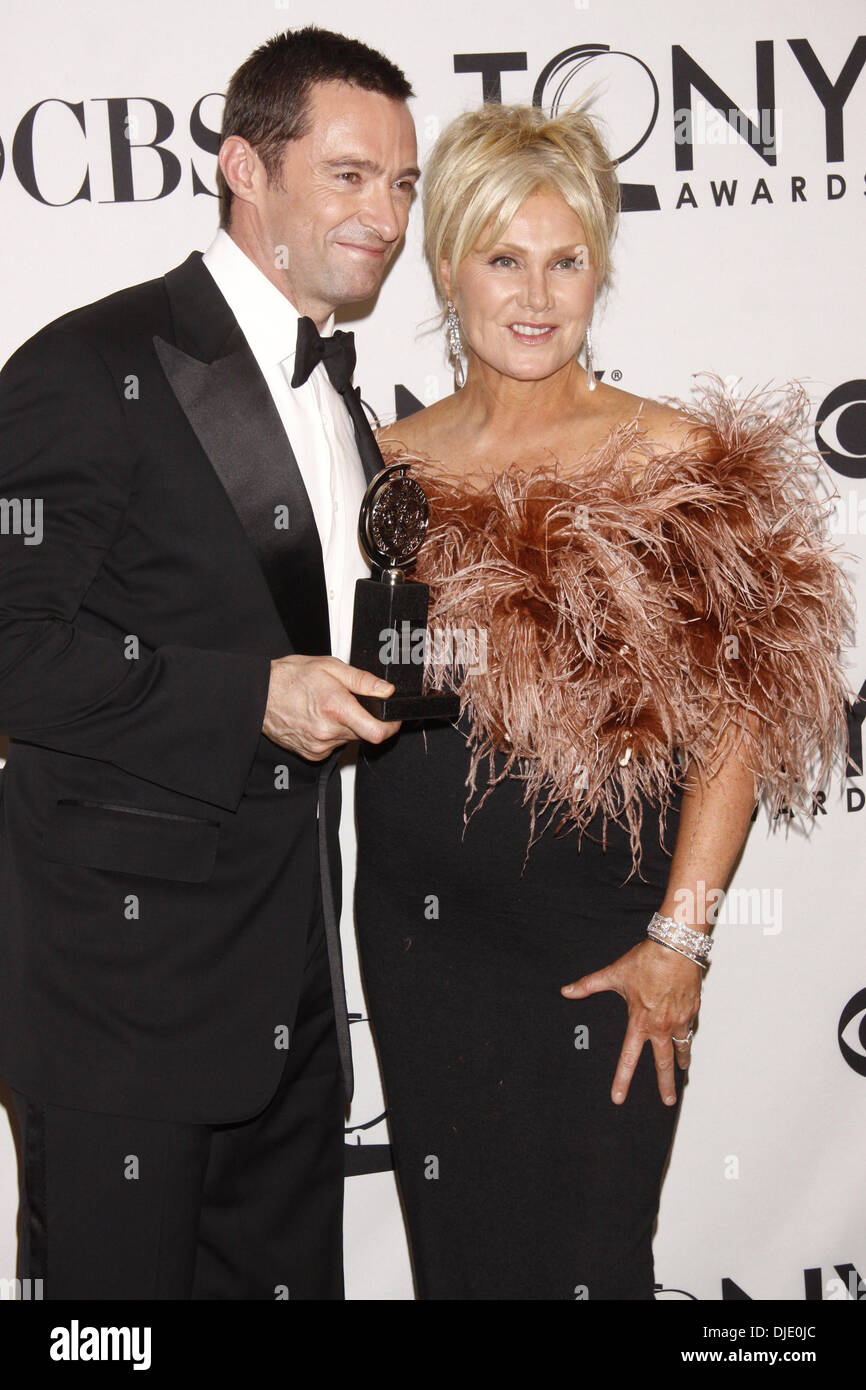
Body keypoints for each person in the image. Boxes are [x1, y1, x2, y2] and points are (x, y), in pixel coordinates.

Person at [354, 102, 853, 1300]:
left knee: (588, 1266)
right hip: (423, 944)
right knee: (461, 1274)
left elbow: (736, 720)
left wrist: (678, 940)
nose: (536, 294)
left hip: (602, 937)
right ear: (447, 267)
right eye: (503, 257)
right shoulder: (379, 462)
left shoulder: (674, 460)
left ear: (600, 271)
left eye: (566, 259)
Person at [0, 25, 417, 1300]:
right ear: (244, 164)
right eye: (349, 176)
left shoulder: (346, 400)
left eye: (403, 183)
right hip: (122, 1000)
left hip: (289, 975)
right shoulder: (88, 364)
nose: (386, 215)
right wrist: (250, 698)